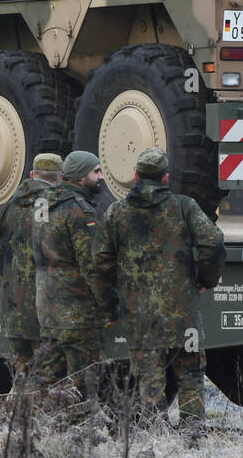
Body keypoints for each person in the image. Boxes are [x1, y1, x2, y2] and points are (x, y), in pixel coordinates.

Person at [94, 147, 225, 434]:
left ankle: (157, 436)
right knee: (190, 373)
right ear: (166, 178)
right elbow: (212, 243)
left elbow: (101, 262)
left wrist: (113, 303)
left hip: (141, 318)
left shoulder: (116, 213)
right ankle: (193, 434)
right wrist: (206, 279)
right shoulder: (184, 207)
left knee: (149, 379)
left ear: (136, 176)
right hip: (185, 315)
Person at [32, 150, 117, 403]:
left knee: (46, 377)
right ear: (81, 177)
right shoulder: (81, 210)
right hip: (77, 312)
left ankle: (38, 424)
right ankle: (82, 429)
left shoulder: (43, 202)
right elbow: (92, 266)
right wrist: (110, 304)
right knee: (84, 379)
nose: (101, 177)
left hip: (47, 307)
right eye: (96, 171)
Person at [0, 152, 61, 389]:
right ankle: (39, 422)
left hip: (13, 304)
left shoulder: (9, 206)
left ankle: (19, 418)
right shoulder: (57, 204)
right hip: (43, 306)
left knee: (22, 372)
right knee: (46, 375)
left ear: (32, 175)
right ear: (60, 177)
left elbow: (0, 251)